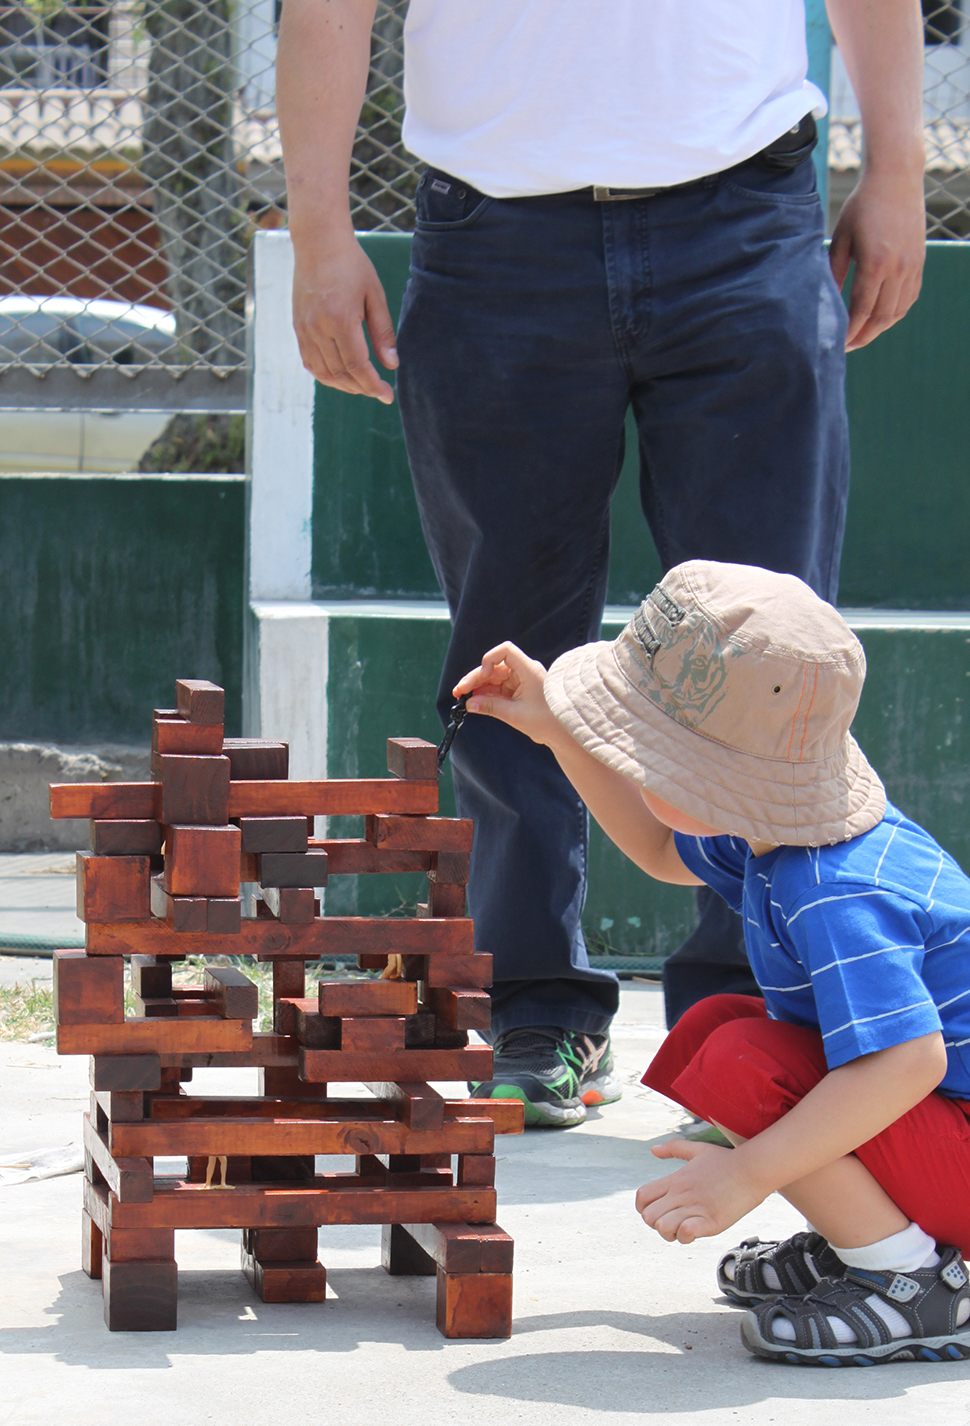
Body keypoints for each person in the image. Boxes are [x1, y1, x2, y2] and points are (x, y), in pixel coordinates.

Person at [276, 0, 927, 1128]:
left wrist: (898, 174)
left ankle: (751, 1023)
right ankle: (534, 1008)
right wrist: (320, 237)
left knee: (768, 657)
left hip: (744, 213)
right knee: (504, 651)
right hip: (493, 240)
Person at [453, 559, 970, 1368]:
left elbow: (907, 1061)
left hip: (955, 1144)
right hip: (945, 1133)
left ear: (719, 780)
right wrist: (556, 727)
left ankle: (912, 1280)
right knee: (716, 1032)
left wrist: (747, 1175)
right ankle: (862, 1239)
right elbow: (661, 849)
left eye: (641, 748)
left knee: (743, 1061)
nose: (624, 754)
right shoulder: (779, 831)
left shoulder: (832, 891)